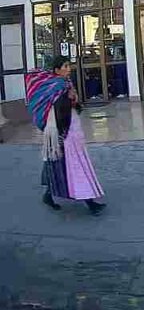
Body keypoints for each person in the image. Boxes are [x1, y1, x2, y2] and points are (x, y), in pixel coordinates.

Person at [25, 56, 106, 214]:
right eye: (66, 66)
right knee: (74, 164)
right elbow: (59, 109)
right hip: (64, 130)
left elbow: (72, 106)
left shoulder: (65, 84)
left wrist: (74, 102)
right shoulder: (59, 85)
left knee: (59, 163)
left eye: (69, 65)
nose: (69, 69)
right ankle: (89, 202)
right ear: (57, 70)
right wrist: (70, 103)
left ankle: (49, 195)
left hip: (67, 129)